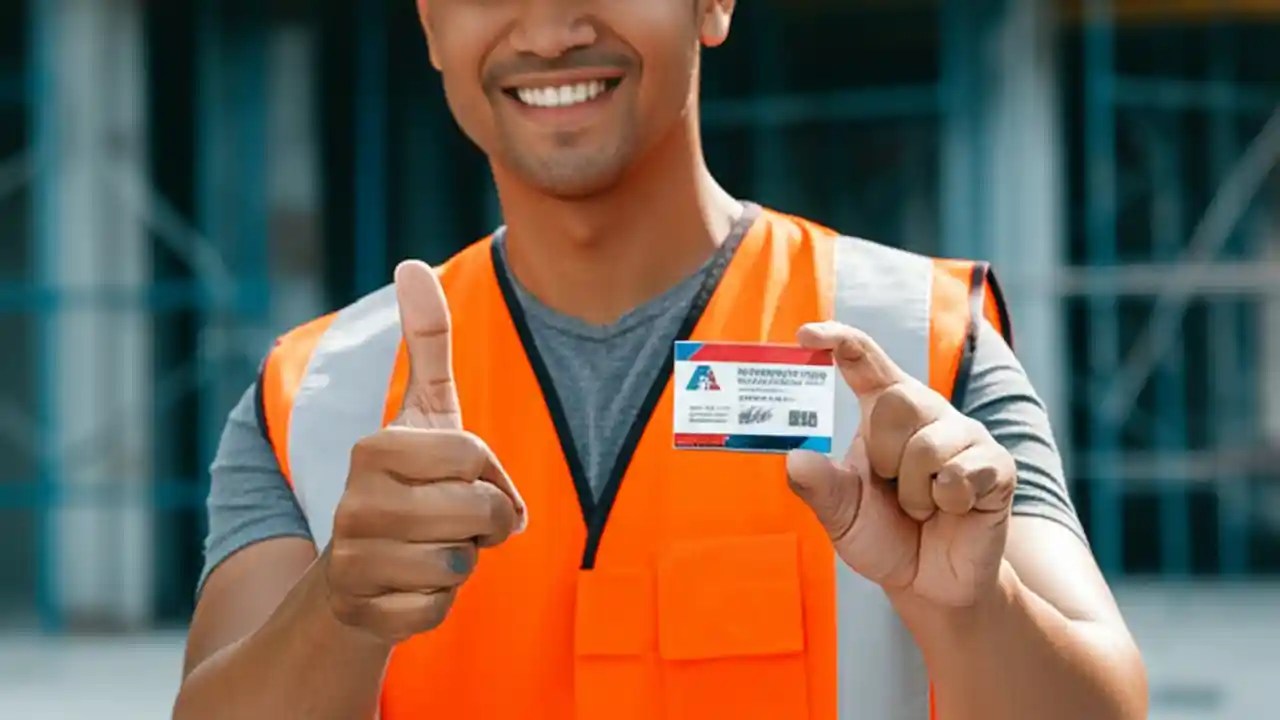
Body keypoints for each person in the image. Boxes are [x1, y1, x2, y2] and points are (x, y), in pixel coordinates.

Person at [174, 1, 1147, 718]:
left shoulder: (923, 346)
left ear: (712, 4)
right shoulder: (316, 398)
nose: (549, 30)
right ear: (429, 24)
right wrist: (339, 610)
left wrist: (976, 610)